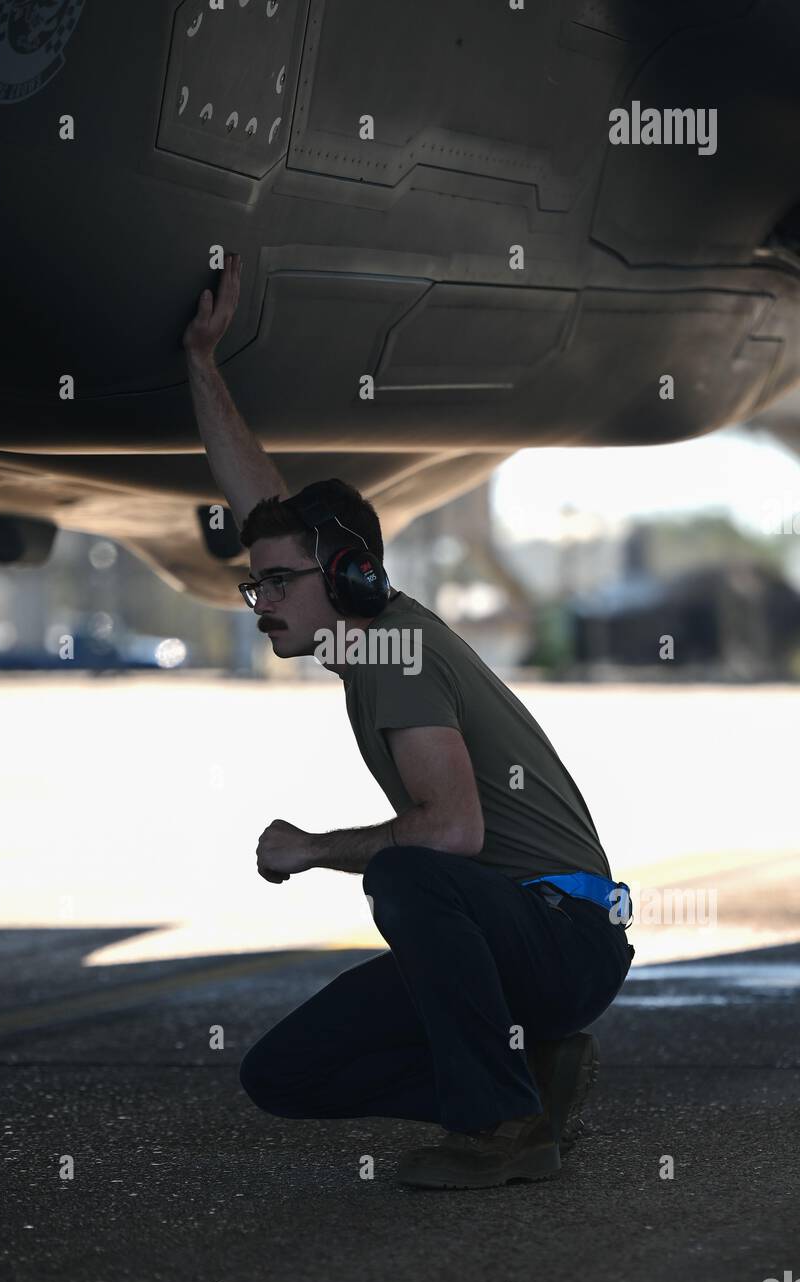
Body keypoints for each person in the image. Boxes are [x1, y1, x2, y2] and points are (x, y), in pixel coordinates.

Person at [183, 255, 635, 1191]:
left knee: (406, 869)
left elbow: (455, 832)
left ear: (344, 578)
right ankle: (529, 1087)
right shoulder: (362, 628)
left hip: (564, 941)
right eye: (254, 580)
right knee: (281, 1074)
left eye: (276, 583)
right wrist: (202, 361)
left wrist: (310, 848)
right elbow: (261, 501)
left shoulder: (395, 655)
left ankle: (503, 1131)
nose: (259, 599)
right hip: (514, 939)